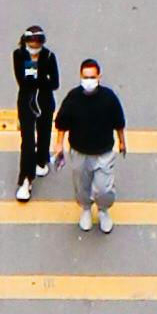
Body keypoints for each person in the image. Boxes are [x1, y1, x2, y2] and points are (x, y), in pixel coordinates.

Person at [57, 57, 126, 232]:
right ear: (80, 76)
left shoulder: (109, 98)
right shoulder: (73, 98)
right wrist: (58, 145)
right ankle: (86, 208)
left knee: (104, 188)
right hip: (79, 152)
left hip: (103, 152)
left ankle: (103, 210)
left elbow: (119, 123)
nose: (89, 81)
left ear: (99, 76)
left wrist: (122, 142)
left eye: (92, 77)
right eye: (85, 77)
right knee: (81, 185)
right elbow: (62, 124)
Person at [11, 20, 60, 199]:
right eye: (32, 42)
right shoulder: (18, 55)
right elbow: (23, 82)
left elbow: (54, 83)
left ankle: (42, 159)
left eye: (39, 42)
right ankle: (26, 179)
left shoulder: (49, 56)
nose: (35, 46)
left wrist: (35, 75)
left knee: (44, 131)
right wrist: (39, 73)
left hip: (45, 101)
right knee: (28, 141)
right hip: (27, 102)